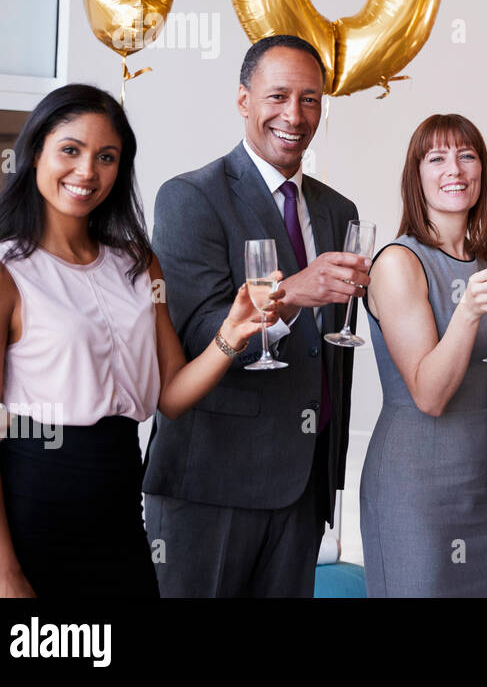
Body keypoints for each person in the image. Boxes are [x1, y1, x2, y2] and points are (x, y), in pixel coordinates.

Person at [0, 84, 278, 598]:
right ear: (35, 151)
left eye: (105, 157)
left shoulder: (138, 264)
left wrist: (231, 333)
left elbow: (170, 396)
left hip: (119, 507)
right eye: (70, 149)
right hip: (31, 506)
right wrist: (2, 572)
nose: (87, 171)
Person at [142, 35, 366, 598]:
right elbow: (196, 340)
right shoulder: (190, 197)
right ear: (244, 100)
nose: (295, 115)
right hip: (211, 480)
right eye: (279, 96)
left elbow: (331, 348)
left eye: (311, 99)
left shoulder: (339, 210)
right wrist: (291, 292)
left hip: (304, 485)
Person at [360, 114, 487, 596]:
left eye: (467, 155)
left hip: (483, 481)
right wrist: (468, 310)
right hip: (415, 487)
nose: (455, 168)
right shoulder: (397, 262)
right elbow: (429, 395)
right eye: (437, 158)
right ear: (417, 175)